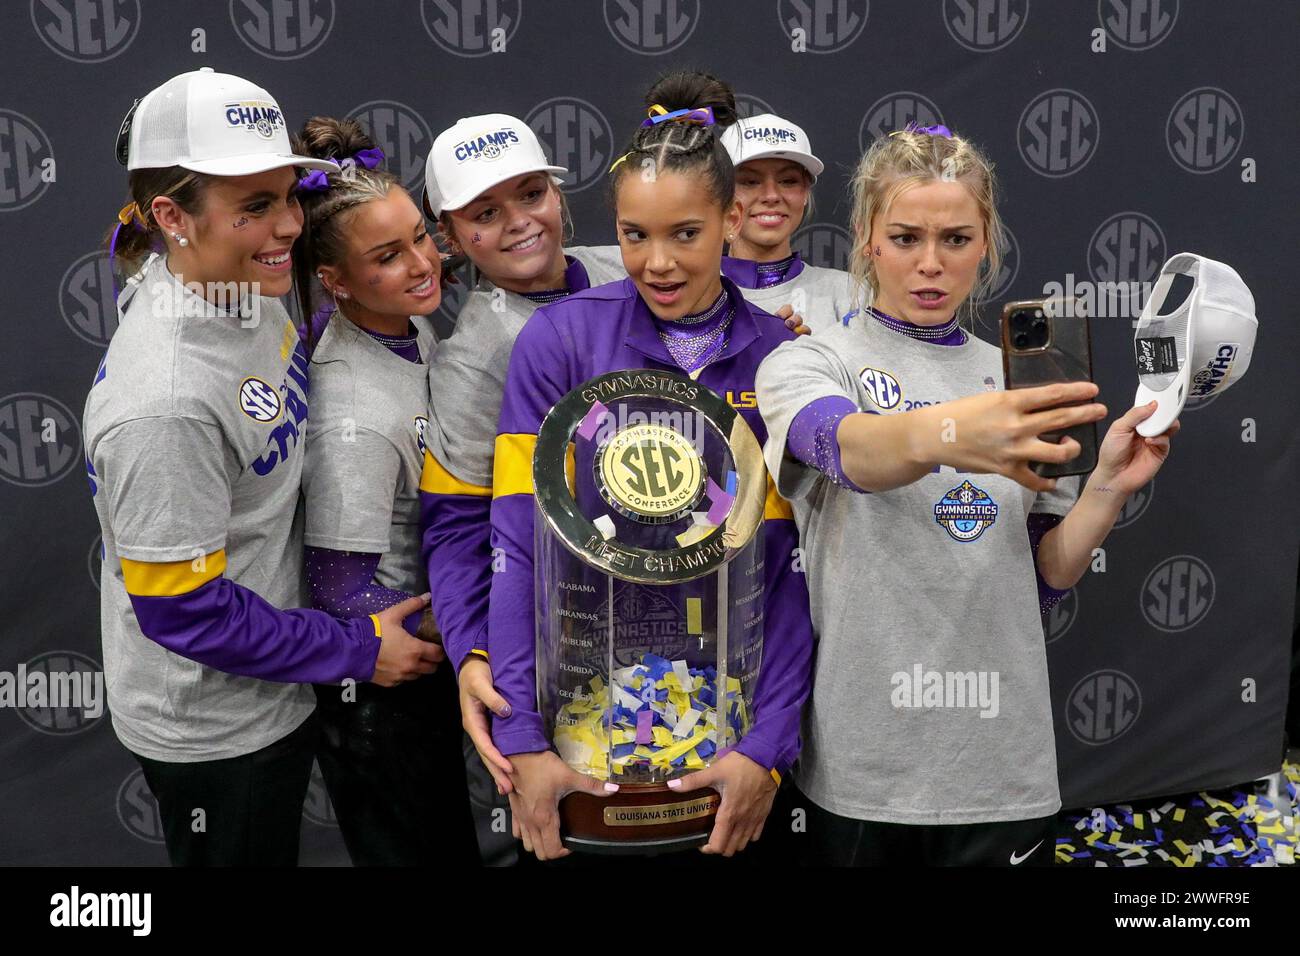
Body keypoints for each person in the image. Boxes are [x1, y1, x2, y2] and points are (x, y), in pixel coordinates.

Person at [754, 122, 1180, 866]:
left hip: (1002, 758)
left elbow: (1047, 573)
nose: (929, 264)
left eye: (955, 239)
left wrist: (1107, 486)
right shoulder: (809, 362)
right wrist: (952, 435)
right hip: (867, 765)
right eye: (906, 236)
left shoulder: (1020, 380)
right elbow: (849, 449)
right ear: (865, 238)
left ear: (986, 244)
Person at [83, 68, 436, 867]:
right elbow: (185, 616)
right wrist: (354, 650)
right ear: (173, 216)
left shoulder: (230, 280)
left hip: (279, 665)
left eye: (286, 195)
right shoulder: (163, 405)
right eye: (254, 207)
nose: (287, 228)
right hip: (217, 724)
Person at [486, 70, 816, 861]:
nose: (657, 263)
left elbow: (794, 570)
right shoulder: (560, 342)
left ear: (732, 220)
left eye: (686, 235)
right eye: (635, 235)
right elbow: (515, 543)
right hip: (589, 717)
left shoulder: (785, 361)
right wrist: (525, 739)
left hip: (725, 722)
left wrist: (767, 748)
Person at [416, 114, 625, 799]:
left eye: (531, 193)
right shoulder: (472, 361)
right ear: (450, 235)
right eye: (485, 212)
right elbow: (454, 525)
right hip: (567, 620)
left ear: (559, 196)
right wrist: (472, 648)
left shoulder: (625, 266)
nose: (518, 222)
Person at [292, 116, 478, 866]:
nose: (422, 263)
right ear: (335, 281)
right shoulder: (356, 414)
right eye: (388, 255)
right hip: (380, 693)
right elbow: (335, 583)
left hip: (419, 670)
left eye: (420, 238)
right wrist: (456, 624)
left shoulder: (405, 322)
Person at [719, 108, 855, 326]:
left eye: (788, 181)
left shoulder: (851, 293)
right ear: (721, 192)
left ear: (805, 193)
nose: (771, 196)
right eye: (750, 181)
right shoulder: (689, 294)